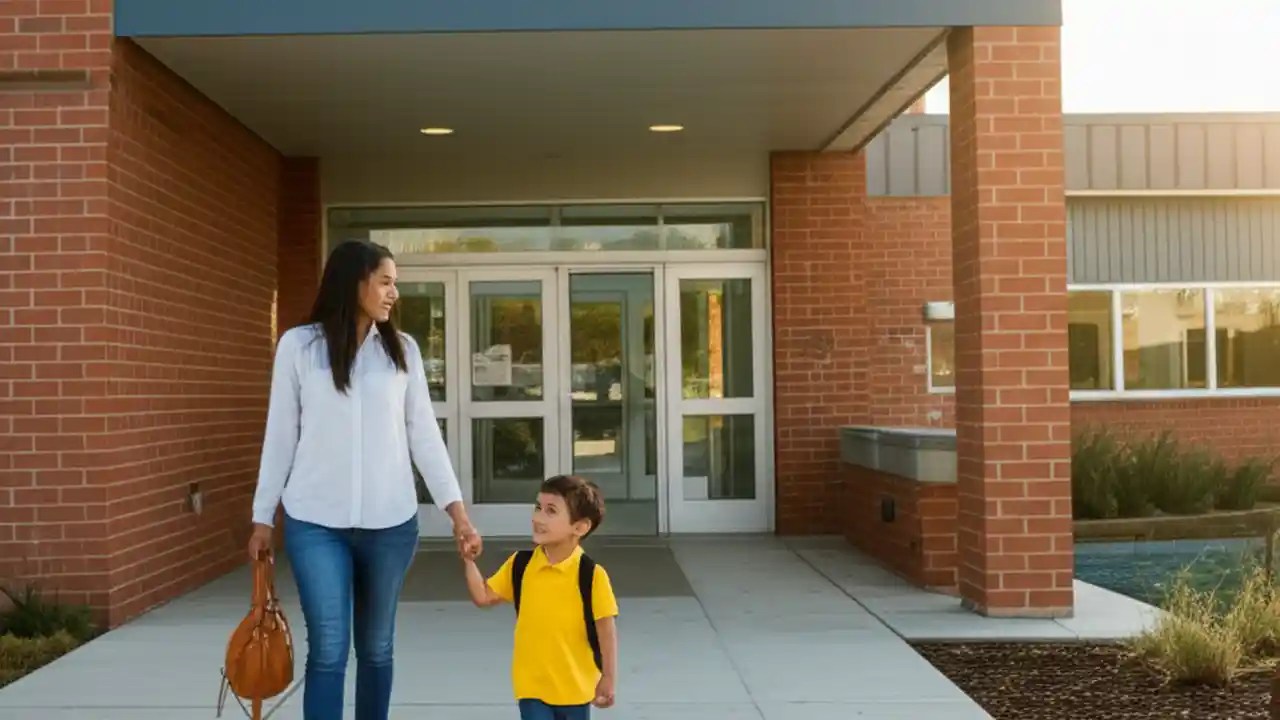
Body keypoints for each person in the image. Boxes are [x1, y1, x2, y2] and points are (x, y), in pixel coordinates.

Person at [246, 238, 482, 720]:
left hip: (390, 525)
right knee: (329, 649)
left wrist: (457, 513)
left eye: (396, 283)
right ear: (355, 282)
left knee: (376, 648)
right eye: (386, 281)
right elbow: (279, 436)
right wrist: (262, 518)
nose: (394, 292)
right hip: (315, 523)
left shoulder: (403, 352)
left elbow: (425, 437)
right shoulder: (298, 347)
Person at [462, 475, 619, 720]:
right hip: (532, 687)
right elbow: (483, 596)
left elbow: (606, 632)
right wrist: (468, 561)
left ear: (579, 527)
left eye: (550, 511)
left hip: (575, 689)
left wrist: (608, 677)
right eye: (537, 507)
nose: (537, 518)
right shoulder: (521, 565)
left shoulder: (592, 576)